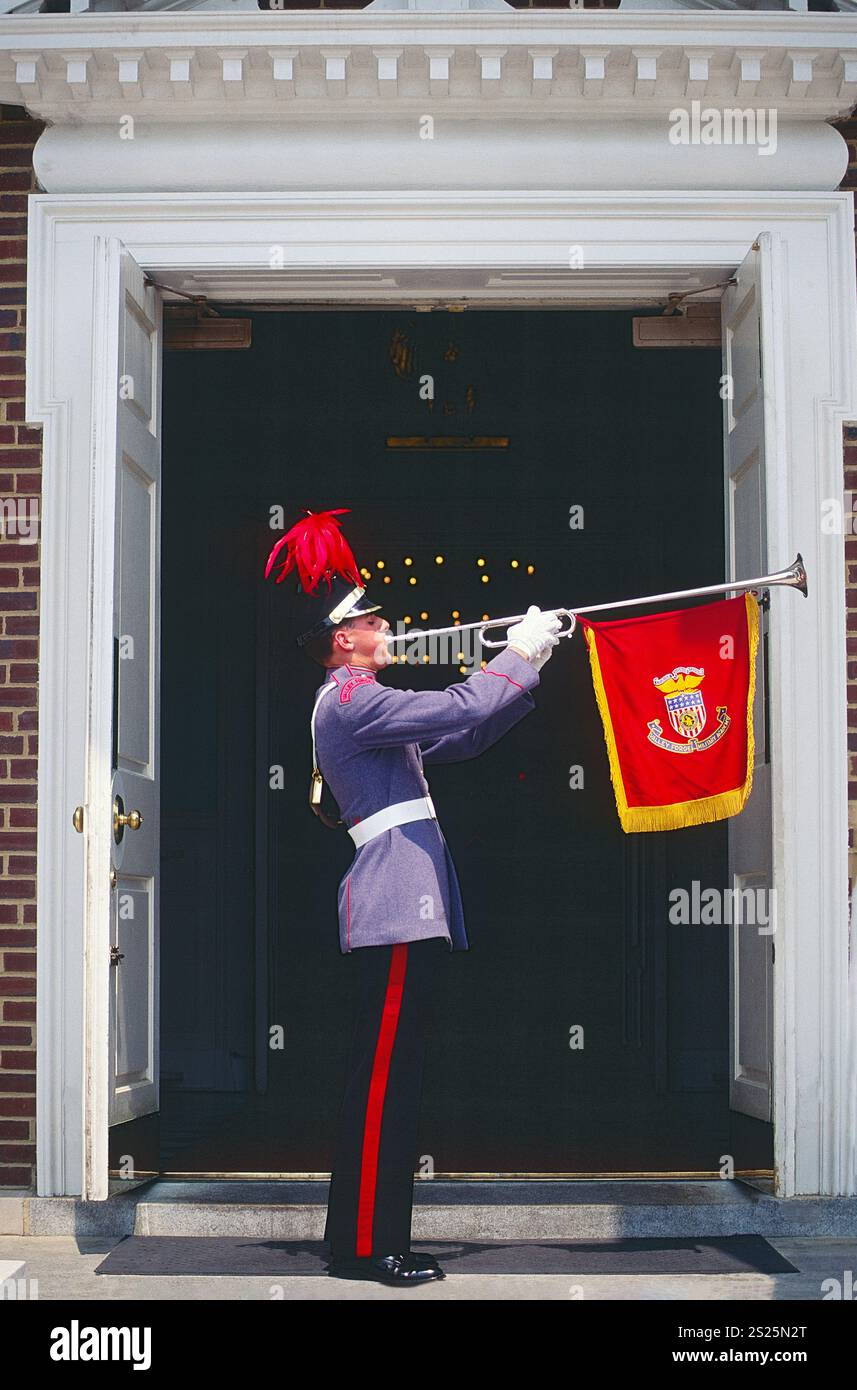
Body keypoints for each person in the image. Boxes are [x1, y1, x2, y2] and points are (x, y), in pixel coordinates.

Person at [264, 508, 561, 1286]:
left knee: (389, 1082)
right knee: (381, 1087)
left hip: (407, 902)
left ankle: (361, 1237)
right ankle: (366, 1250)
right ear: (341, 641)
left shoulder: (369, 705)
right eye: (369, 618)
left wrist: (522, 668)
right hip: (394, 902)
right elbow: (461, 707)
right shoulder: (354, 701)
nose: (384, 623)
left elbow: (462, 733)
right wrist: (515, 660)